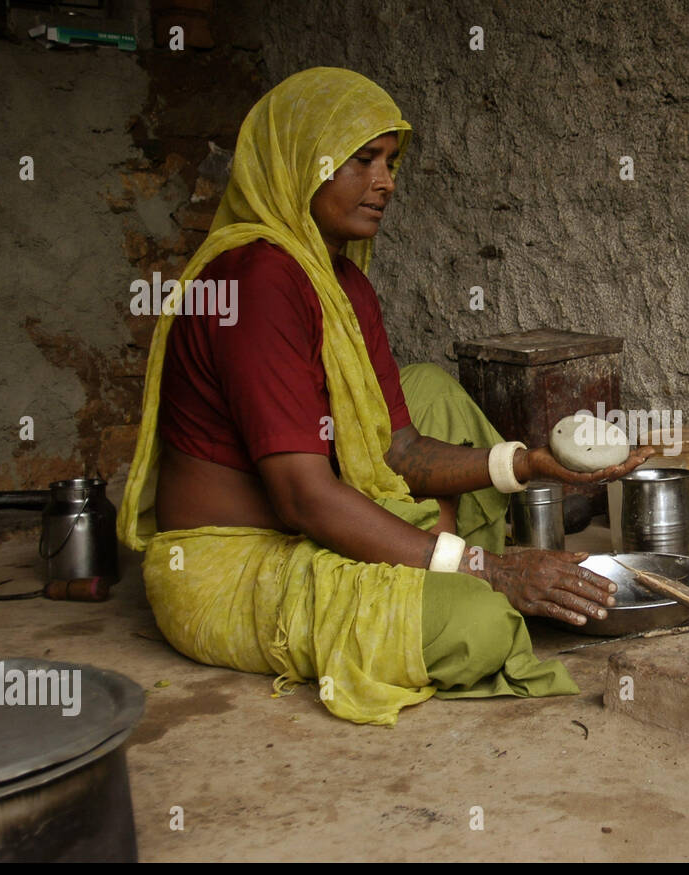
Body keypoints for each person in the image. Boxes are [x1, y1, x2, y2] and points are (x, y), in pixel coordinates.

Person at [118, 67, 650, 725]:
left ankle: (441, 555)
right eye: (363, 159)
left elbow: (398, 448)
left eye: (391, 162)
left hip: (306, 519)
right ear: (294, 161)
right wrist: (486, 570)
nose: (386, 182)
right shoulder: (254, 282)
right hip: (232, 565)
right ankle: (451, 560)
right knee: (480, 625)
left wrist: (532, 462)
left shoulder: (342, 281)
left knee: (429, 387)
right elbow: (302, 497)